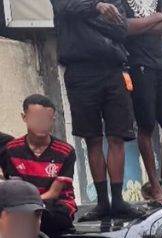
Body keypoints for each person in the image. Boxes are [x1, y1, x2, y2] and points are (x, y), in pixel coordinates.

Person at [50, 0, 142, 220]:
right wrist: (97, 9)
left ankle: (118, 200)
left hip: (113, 69)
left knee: (117, 135)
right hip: (80, 70)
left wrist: (88, 17)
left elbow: (121, 29)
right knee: (91, 137)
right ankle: (102, 202)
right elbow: (65, 8)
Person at [123, 0, 162, 208]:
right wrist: (157, 18)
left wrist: (142, 25)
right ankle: (154, 186)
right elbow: (125, 27)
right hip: (138, 64)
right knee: (147, 126)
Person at [0, 95, 78, 238]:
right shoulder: (11, 149)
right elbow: (16, 186)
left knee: (44, 215)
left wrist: (31, 204)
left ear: (53, 120)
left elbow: (54, 193)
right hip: (24, 206)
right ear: (24, 118)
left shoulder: (66, 151)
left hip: (55, 206)